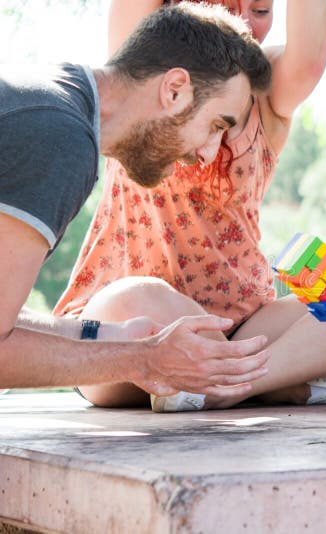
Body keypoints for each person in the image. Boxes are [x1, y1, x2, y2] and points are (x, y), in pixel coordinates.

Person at [55, 0, 326, 412]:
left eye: (260, 9)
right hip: (132, 325)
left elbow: (311, 57)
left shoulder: (266, 95)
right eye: (223, 5)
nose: (241, 21)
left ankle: (229, 385)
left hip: (243, 324)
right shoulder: (148, 75)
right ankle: (282, 385)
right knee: (140, 297)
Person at [1, 3, 272, 399]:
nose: (211, 153)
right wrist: (143, 360)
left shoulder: (55, 101)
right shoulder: (62, 139)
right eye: (216, 126)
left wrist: (114, 338)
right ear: (174, 89)